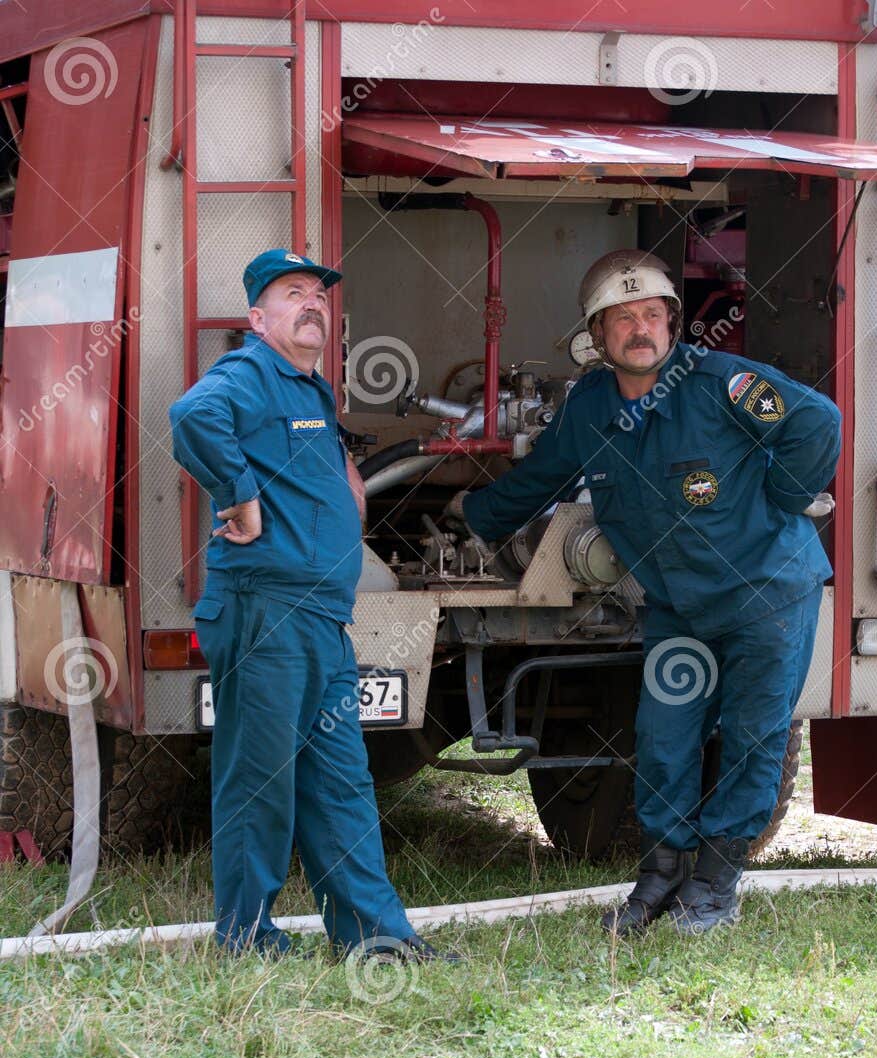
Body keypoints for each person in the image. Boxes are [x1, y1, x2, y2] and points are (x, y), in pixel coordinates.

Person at [454, 249, 842, 938]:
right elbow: (539, 477)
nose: (641, 330)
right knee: (663, 738)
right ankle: (658, 878)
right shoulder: (592, 406)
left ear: (671, 324)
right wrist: (468, 518)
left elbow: (817, 422)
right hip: (679, 606)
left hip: (766, 595)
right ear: (596, 337)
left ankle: (715, 885)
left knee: (753, 739)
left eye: (653, 316)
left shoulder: (723, 384)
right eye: (622, 319)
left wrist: (783, 497)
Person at [170, 249, 440, 961]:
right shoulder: (251, 373)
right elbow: (193, 415)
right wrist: (239, 496)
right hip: (265, 612)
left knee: (339, 783)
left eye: (319, 294)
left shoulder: (308, 386)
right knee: (260, 781)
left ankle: (376, 936)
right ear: (258, 318)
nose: (313, 303)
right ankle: (245, 939)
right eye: (294, 293)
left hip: (319, 616)